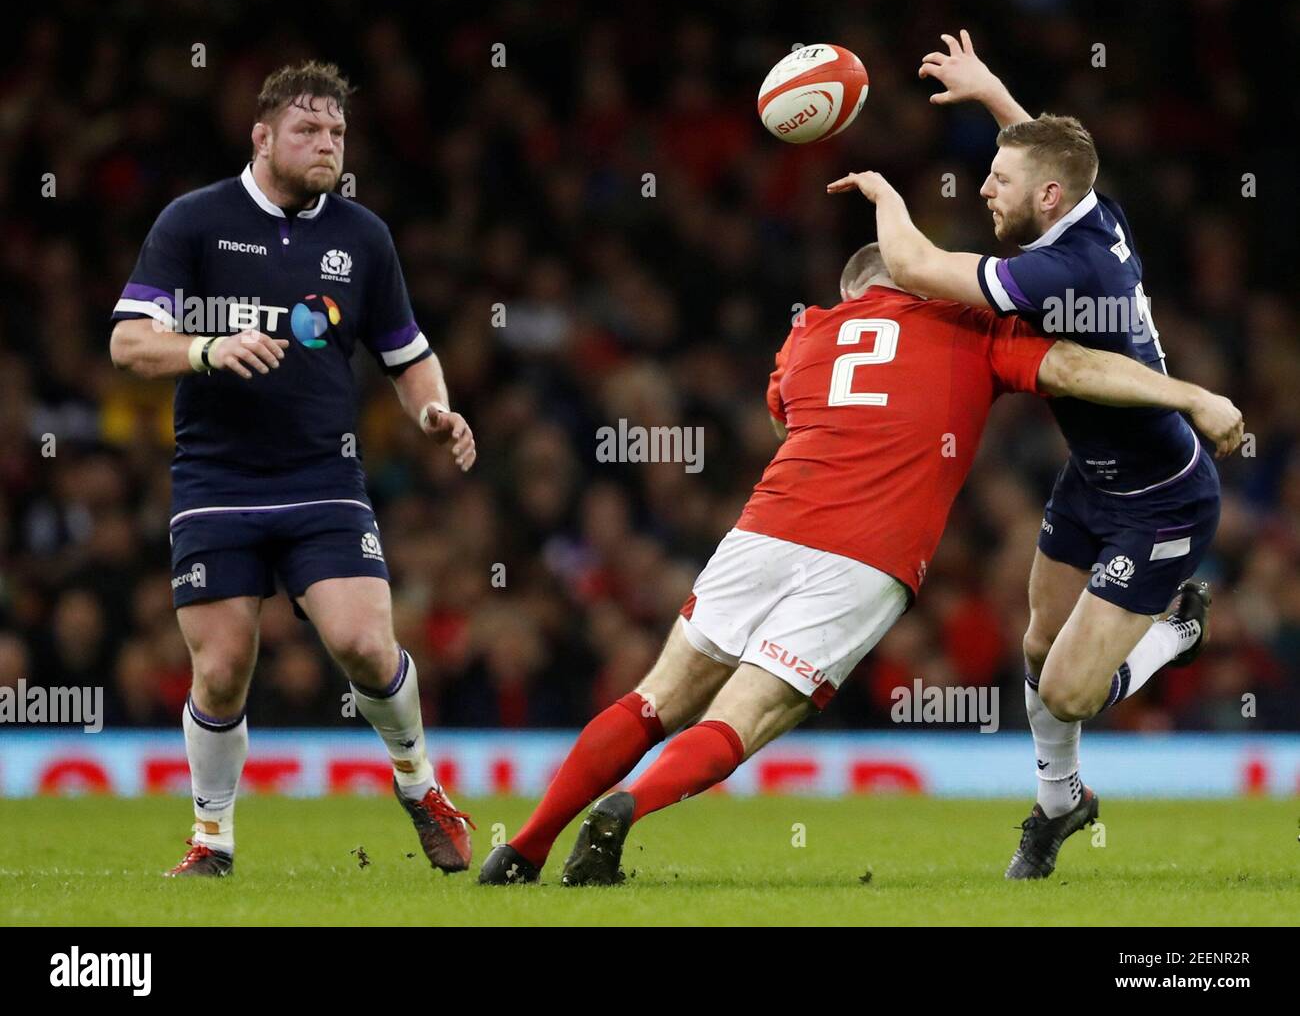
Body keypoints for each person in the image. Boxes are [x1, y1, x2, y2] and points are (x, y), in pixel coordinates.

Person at [477, 243, 1243, 885]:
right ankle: (628, 808)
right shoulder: (967, 326)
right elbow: (1074, 368)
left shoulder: (810, 333)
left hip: (765, 528)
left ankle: (524, 846)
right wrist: (1189, 396)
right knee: (744, 717)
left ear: (851, 292)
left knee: (655, 697)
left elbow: (781, 408)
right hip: (865, 555)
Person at [826, 29, 1237, 878]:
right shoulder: (1090, 211)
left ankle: (1175, 631)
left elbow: (913, 263)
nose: (982, 189)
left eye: (997, 182)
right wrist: (992, 94)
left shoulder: (1061, 275)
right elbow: (1053, 156)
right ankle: (1058, 804)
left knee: (1069, 691)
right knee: (1038, 647)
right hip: (1092, 479)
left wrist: (881, 193)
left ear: (1045, 198)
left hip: (1161, 502)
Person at [109, 61, 477, 877]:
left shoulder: (362, 235)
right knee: (222, 664)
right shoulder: (194, 222)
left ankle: (420, 785)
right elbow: (128, 341)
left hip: (323, 481)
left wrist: (431, 410)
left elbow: (407, 353)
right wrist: (206, 348)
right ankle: (212, 841)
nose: (327, 144)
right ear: (263, 136)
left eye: (338, 132)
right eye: (309, 129)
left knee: (366, 646)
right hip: (216, 483)